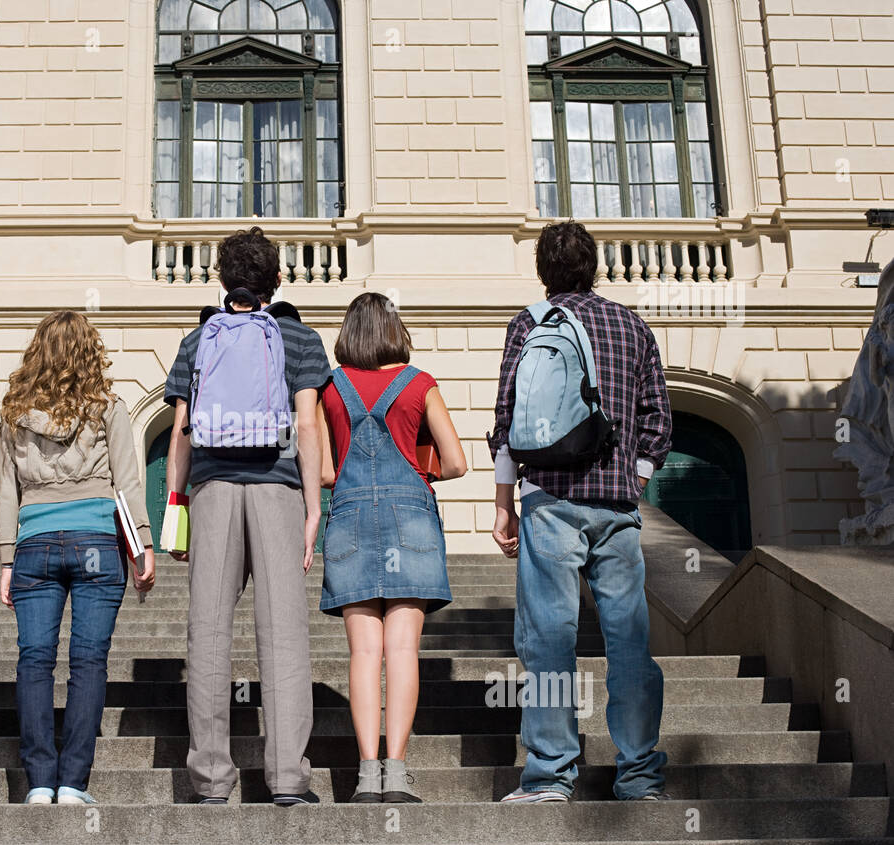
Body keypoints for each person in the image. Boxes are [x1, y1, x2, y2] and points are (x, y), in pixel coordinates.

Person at [488, 221, 672, 803]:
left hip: (548, 501)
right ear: (595, 267)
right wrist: (633, 480)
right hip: (615, 506)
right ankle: (638, 774)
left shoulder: (530, 324)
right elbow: (657, 419)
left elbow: (507, 419)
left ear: (543, 271)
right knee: (628, 641)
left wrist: (502, 503)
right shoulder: (632, 325)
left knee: (548, 639)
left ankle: (549, 775)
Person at [163, 226, 332, 806]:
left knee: (208, 630)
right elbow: (307, 426)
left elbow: (182, 433)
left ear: (220, 278)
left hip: (210, 489)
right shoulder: (302, 338)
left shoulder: (198, 338)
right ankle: (286, 780)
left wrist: (175, 510)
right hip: (278, 488)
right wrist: (313, 508)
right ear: (277, 279)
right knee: (283, 631)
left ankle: (211, 779)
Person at [0, 310, 156, 806]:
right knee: (88, 662)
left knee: (34, 660)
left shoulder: (15, 412)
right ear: (91, 352)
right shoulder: (108, 406)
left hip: (35, 542)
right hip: (95, 542)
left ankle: (39, 781)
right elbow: (127, 483)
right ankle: (72, 783)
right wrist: (142, 546)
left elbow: (7, 489)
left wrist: (6, 557)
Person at [317, 292, 467, 803]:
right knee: (402, 650)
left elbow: (322, 471)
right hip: (411, 518)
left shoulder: (330, 388)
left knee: (364, 652)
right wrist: (417, 468)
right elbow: (456, 463)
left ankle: (365, 774)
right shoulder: (419, 383)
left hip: (350, 517)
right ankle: (398, 774)